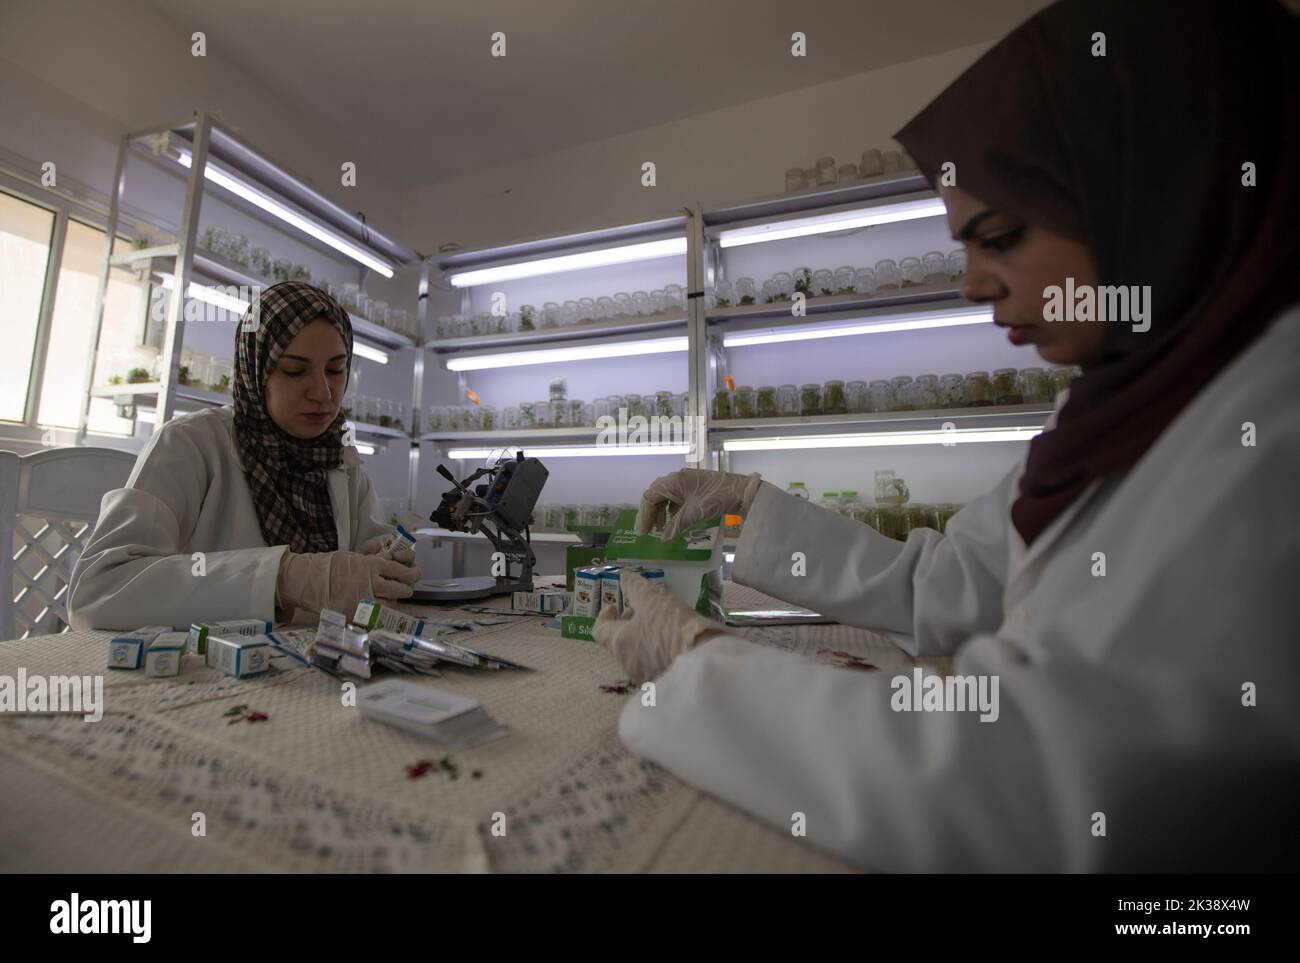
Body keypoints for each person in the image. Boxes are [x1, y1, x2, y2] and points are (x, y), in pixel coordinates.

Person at [595, 0, 1300, 871]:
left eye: (999, 237)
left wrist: (699, 655)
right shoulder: (1121, 407)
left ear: (1161, 188)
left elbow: (1041, 787)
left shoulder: (1268, 427)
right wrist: (744, 509)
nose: (971, 285)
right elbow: (953, 582)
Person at [68, 281, 420, 631]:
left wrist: (379, 566)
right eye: (294, 370)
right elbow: (98, 590)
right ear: (255, 370)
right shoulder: (190, 446)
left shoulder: (338, 456)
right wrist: (281, 579)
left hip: (307, 670)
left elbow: (359, 569)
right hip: (201, 671)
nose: (322, 392)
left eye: (335, 369)